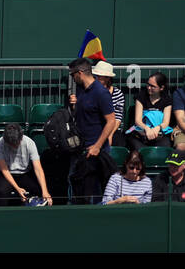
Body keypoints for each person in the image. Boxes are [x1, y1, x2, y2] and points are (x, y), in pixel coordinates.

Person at [69, 57, 119, 204]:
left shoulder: (101, 93)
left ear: (80, 73)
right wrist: (73, 106)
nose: (72, 78)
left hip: (96, 151)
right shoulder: (80, 90)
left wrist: (97, 146)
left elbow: (111, 121)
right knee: (78, 190)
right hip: (80, 149)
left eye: (73, 75)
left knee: (96, 192)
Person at [0, 122, 52, 206]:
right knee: (2, 190)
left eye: (16, 143)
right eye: (11, 144)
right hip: (5, 174)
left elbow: (38, 168)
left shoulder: (29, 143)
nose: (14, 146)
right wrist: (17, 188)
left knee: (40, 188)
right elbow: (4, 169)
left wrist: (45, 191)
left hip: (24, 173)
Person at [128, 71, 173, 152]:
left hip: (159, 135)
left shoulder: (167, 100)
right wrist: (147, 129)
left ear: (161, 88)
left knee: (164, 147)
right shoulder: (141, 97)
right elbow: (138, 121)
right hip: (141, 134)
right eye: (148, 84)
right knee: (139, 150)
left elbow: (166, 122)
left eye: (153, 86)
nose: (149, 88)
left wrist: (157, 128)